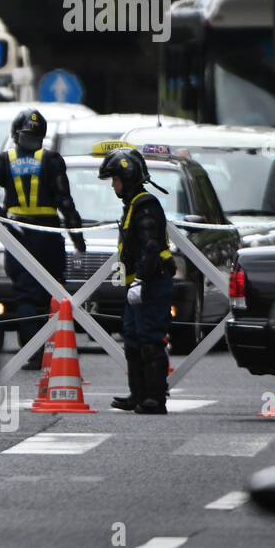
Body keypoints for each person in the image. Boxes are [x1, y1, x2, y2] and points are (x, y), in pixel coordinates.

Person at [0, 109, 87, 369]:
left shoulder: (3, 160)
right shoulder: (52, 160)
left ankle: (32, 354)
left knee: (25, 295)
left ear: (15, 134)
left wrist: (1, 217)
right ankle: (55, 349)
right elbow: (65, 202)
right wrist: (77, 236)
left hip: (18, 234)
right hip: (48, 234)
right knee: (54, 291)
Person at [98, 146, 176, 415]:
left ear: (127, 178)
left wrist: (141, 280)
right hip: (139, 284)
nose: (113, 186)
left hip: (152, 283)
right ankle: (138, 394)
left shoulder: (145, 206)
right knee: (132, 338)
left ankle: (154, 398)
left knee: (149, 339)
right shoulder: (133, 205)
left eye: (115, 179)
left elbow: (151, 246)